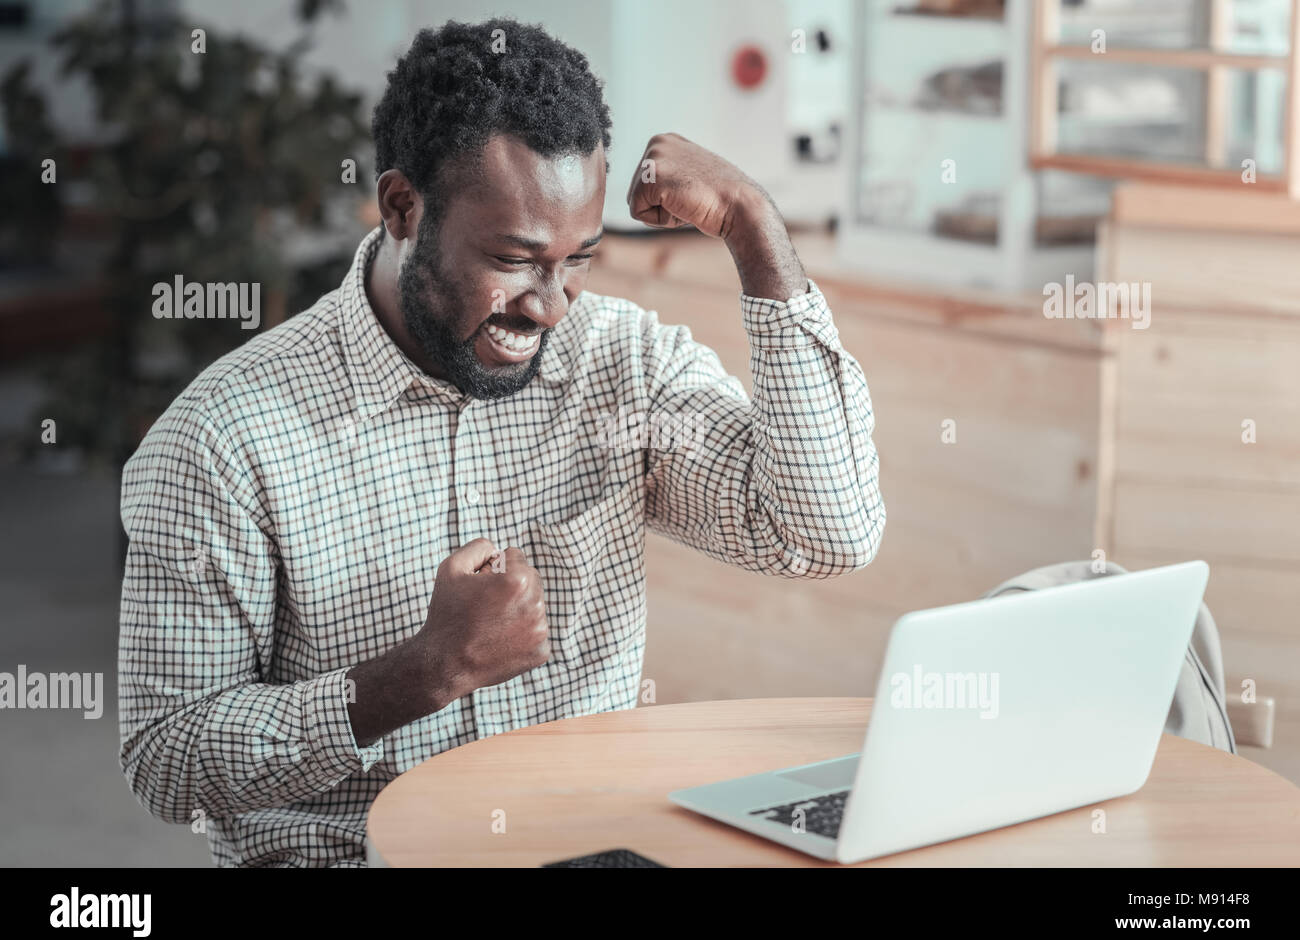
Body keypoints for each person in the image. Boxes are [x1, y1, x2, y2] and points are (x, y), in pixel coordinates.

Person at [118, 17, 886, 867]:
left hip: (588, 846)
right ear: (404, 207)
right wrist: (421, 674)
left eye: (579, 258)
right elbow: (166, 758)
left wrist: (755, 229)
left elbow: (826, 533)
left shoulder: (619, 362)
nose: (552, 305)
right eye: (515, 259)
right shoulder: (224, 436)